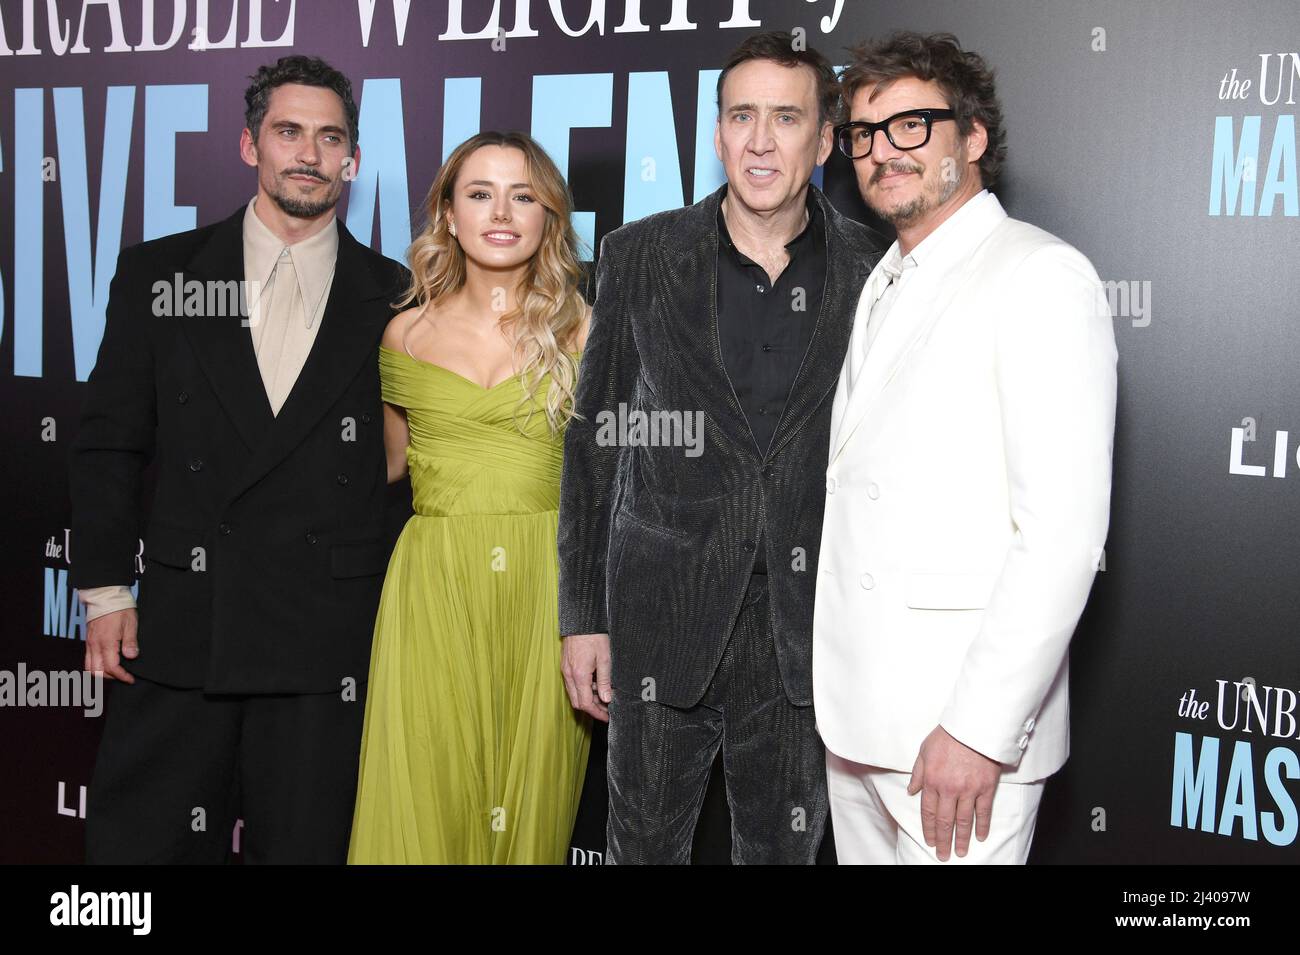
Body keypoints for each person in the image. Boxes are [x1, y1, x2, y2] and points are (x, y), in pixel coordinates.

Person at [70, 55, 410, 863]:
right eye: (289, 131)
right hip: (184, 627)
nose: (309, 154)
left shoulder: (397, 292)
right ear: (249, 144)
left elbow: (408, 469)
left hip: (327, 640)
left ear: (353, 159)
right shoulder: (159, 273)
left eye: (331, 138)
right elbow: (110, 440)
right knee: (142, 857)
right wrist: (107, 589)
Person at [558, 31, 886, 864]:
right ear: (716, 133)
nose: (760, 141)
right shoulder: (639, 254)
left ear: (825, 140)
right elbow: (596, 443)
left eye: (786, 118)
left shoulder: (877, 270)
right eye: (742, 116)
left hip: (803, 631)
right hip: (661, 617)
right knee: (641, 849)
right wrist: (583, 618)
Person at [815, 31, 1117, 864]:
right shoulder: (883, 278)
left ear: (973, 136)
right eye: (865, 133)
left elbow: (1061, 535)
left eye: (912, 125)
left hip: (957, 740)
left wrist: (979, 730)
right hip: (857, 727)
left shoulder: (1041, 275)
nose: (883, 150)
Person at [348, 131, 593, 864]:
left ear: (549, 217)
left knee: (530, 812)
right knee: (424, 793)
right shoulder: (405, 334)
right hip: (433, 583)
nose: (502, 212)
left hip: (547, 586)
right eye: (480, 193)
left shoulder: (585, 329)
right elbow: (390, 466)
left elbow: (612, 480)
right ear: (448, 216)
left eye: (524, 196)